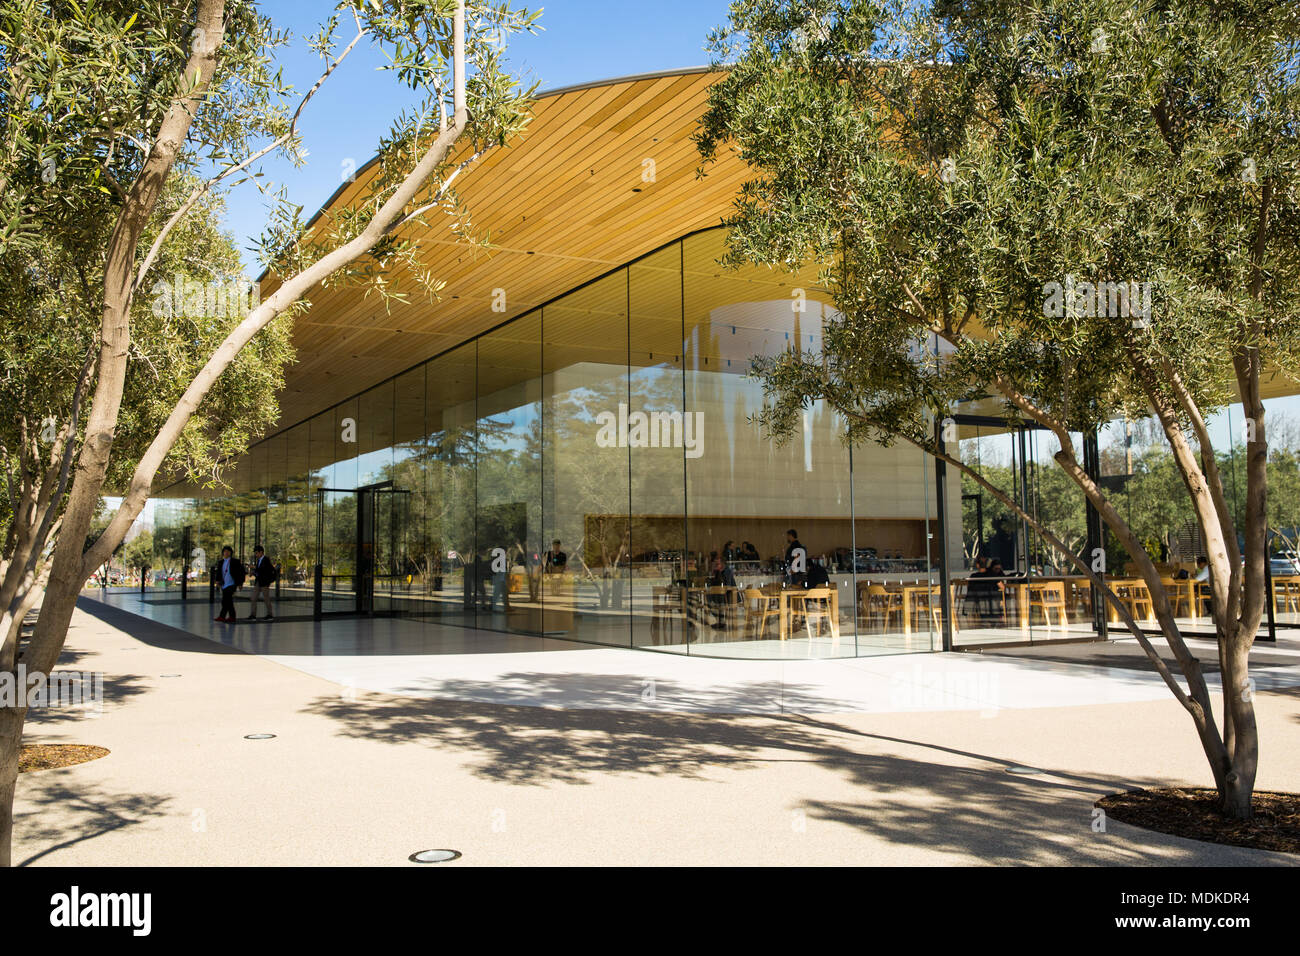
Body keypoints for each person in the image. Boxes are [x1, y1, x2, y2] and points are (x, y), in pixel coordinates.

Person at [214, 546, 245, 623]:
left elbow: (241, 573)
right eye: (225, 551)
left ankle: (224, 616)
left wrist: (240, 583)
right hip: (224, 584)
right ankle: (230, 616)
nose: (226, 553)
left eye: (228, 551)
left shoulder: (235, 561)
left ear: (231, 553)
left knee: (226, 600)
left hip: (232, 584)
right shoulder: (221, 562)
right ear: (223, 553)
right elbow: (219, 573)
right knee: (227, 601)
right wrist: (217, 581)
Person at [247, 545, 277, 621]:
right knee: (253, 598)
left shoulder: (266, 560)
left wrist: (254, 568)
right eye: (255, 553)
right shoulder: (259, 560)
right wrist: (253, 572)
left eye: (257, 553)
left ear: (261, 552)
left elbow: (263, 570)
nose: (256, 555)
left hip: (264, 582)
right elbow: (259, 571)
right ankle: (253, 615)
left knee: (266, 598)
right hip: (258, 581)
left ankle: (270, 614)